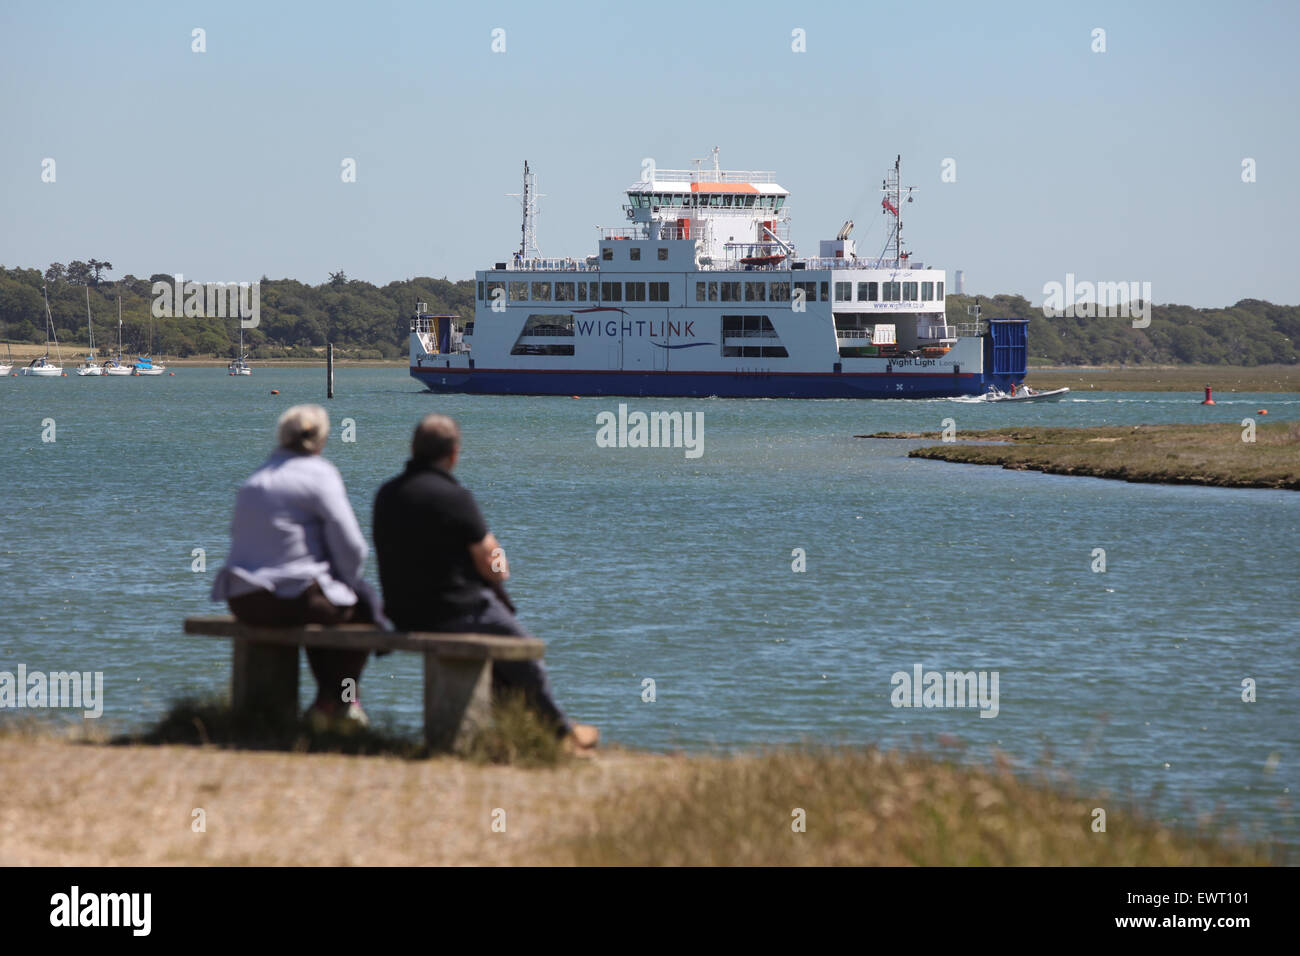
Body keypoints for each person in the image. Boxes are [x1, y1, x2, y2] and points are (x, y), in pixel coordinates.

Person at [373, 414, 598, 753]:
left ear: (413, 449)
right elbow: (493, 563)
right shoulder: (454, 496)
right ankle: (559, 733)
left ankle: (516, 732)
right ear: (453, 454)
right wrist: (500, 569)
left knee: (498, 661)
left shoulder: (386, 494)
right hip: (454, 611)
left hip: (404, 613)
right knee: (525, 653)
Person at [211, 404, 383, 726]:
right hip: (293, 599)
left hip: (245, 600)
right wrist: (345, 583)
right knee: (359, 610)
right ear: (321, 440)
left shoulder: (255, 479)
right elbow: (352, 546)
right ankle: (341, 699)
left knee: (318, 610)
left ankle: (318, 703)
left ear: (281, 437)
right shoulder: (320, 475)